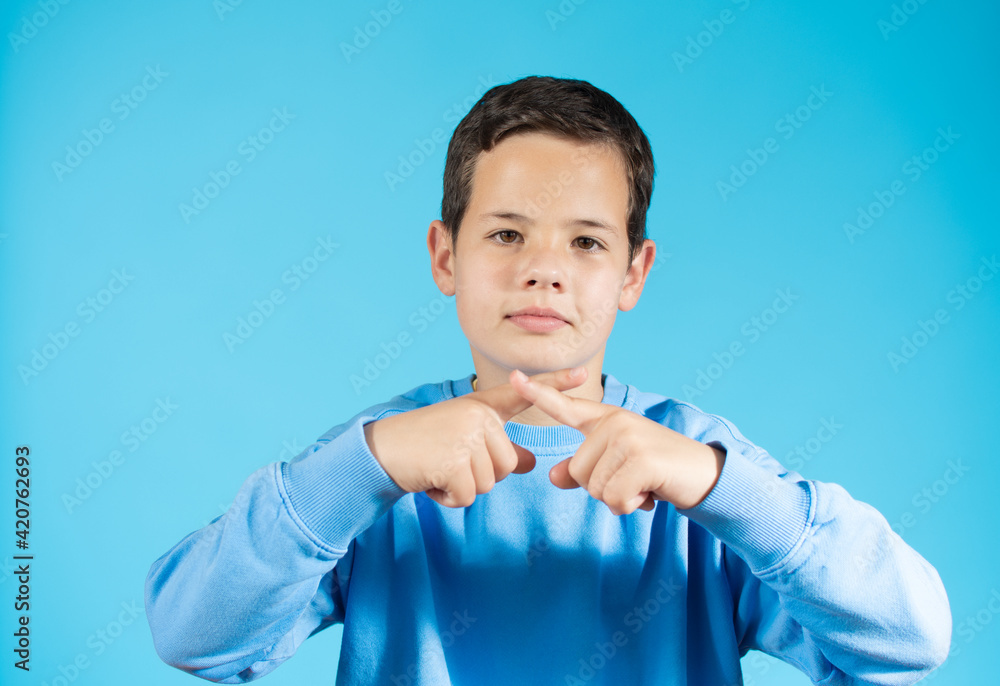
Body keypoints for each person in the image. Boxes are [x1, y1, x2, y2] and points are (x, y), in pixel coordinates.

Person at [145, 75, 951, 685]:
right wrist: (369, 464)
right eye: (505, 232)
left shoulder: (698, 465)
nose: (543, 272)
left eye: (587, 244)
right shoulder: (377, 465)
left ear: (635, 272)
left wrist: (715, 483)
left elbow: (908, 639)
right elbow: (196, 636)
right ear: (444, 257)